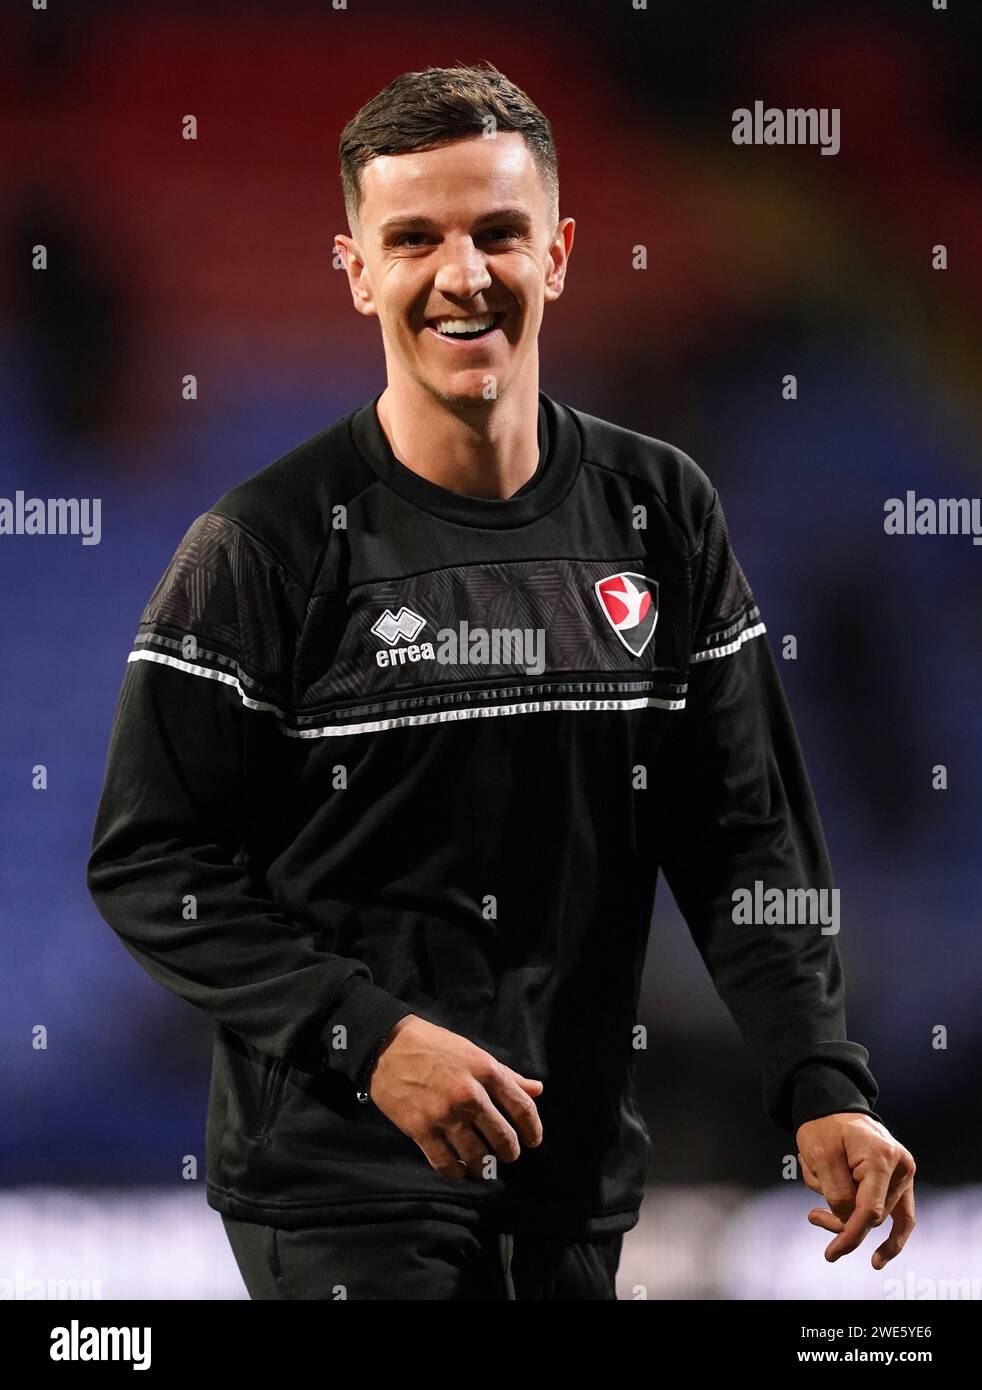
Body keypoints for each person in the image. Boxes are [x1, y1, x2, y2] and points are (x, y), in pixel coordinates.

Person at [86, 61, 915, 1301]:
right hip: (339, 1185)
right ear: (356, 267)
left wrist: (819, 1080)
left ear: (562, 251)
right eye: (412, 238)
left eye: (498, 234)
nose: (461, 276)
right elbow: (151, 862)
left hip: (572, 1178)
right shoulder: (262, 546)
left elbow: (747, 840)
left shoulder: (660, 513)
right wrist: (367, 1041)